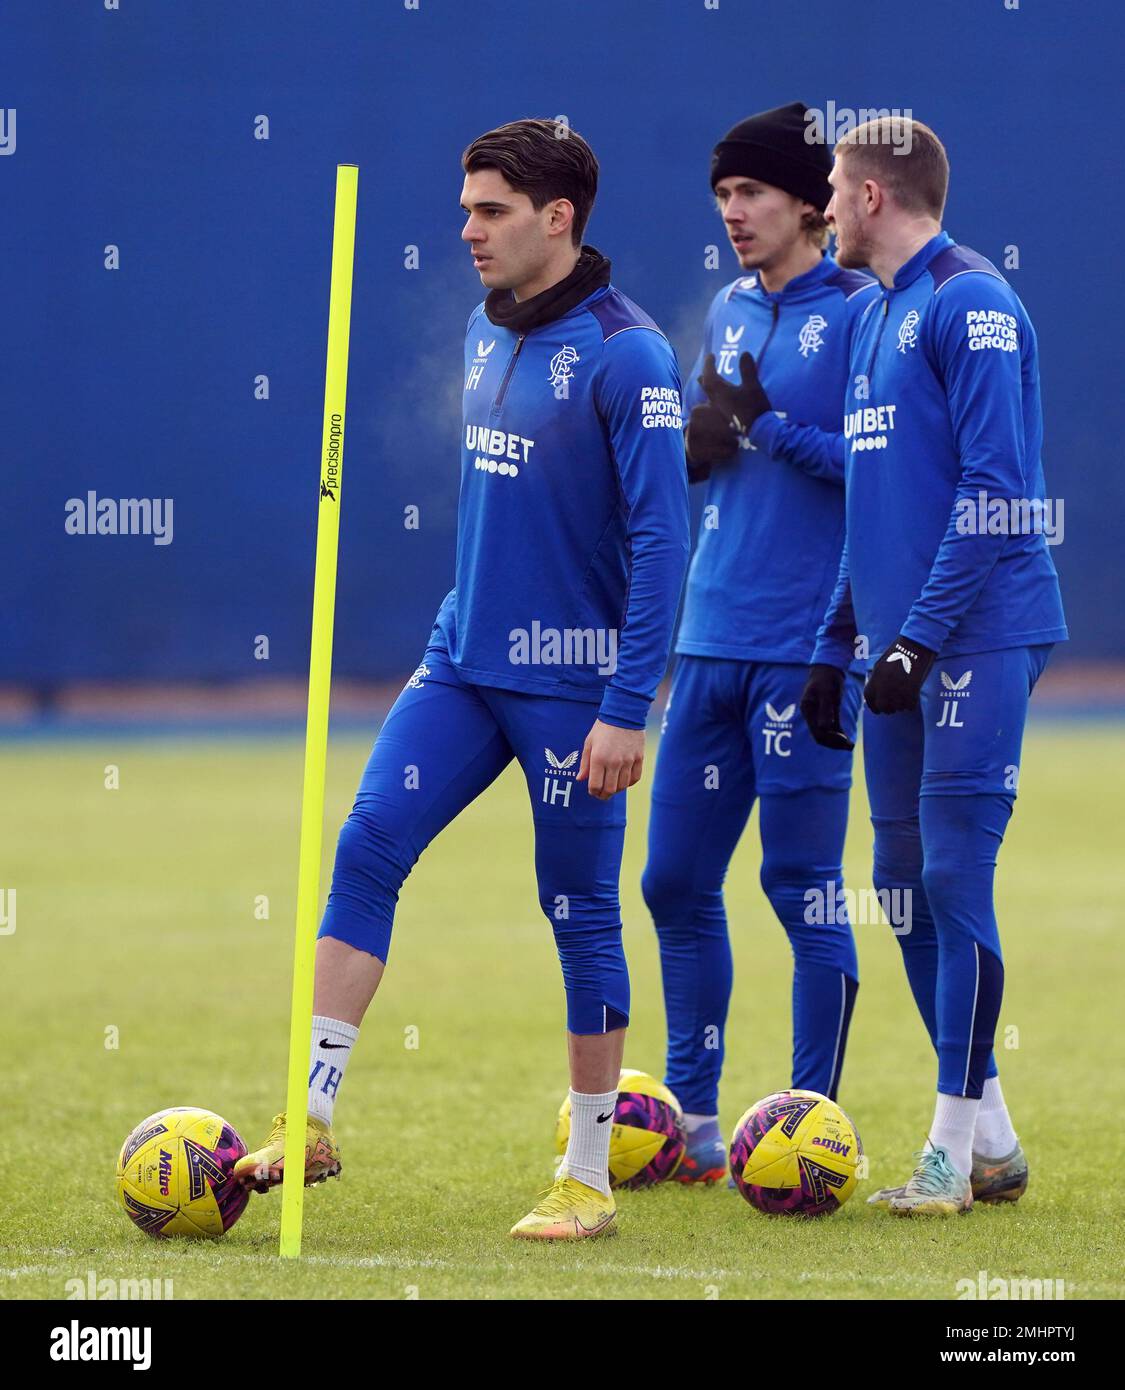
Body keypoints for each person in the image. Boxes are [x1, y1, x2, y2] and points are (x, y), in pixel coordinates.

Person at [235, 119, 690, 1240]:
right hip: (462, 661)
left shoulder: (630, 356)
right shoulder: (486, 328)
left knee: (578, 911)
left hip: (574, 691)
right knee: (366, 847)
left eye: (490, 211)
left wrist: (626, 708)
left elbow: (664, 547)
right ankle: (310, 1116)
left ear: (557, 217)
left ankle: (587, 1177)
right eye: (465, 208)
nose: (468, 230)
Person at [802, 116, 1067, 1215]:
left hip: (979, 635)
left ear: (871, 195)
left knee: (955, 879)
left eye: (831, 188)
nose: (822, 207)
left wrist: (917, 638)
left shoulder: (975, 303)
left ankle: (948, 1153)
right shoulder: (871, 314)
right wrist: (836, 640)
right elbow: (872, 502)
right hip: (896, 649)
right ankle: (991, 1136)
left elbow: (996, 491)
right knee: (902, 890)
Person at [641, 103, 878, 1183]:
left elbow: (885, 472)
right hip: (708, 636)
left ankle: (806, 1127)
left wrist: (766, 426)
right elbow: (711, 451)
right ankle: (693, 1121)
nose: (732, 212)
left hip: (805, 643)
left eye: (752, 193)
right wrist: (696, 443)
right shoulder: (729, 307)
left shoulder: (866, 312)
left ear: (808, 204)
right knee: (672, 881)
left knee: (801, 886)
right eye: (722, 195)